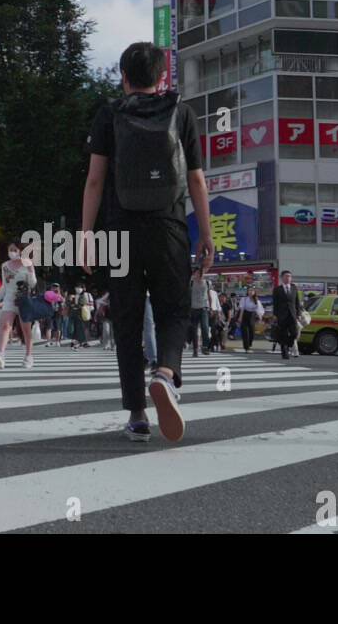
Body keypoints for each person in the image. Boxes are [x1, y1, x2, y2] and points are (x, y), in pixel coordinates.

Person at [80, 41, 213, 443]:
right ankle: (166, 373)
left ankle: (137, 414)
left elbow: (95, 180)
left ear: (123, 76)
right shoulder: (182, 113)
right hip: (168, 226)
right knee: (174, 310)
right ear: (162, 77)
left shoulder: (109, 114)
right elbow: (195, 180)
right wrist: (205, 234)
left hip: (120, 230)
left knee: (127, 320)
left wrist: (86, 235)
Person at [0, 240, 37, 369]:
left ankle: (29, 356)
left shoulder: (27, 264)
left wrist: (30, 269)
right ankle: (0, 355)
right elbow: (4, 287)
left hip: (24, 300)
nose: (11, 252)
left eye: (14, 250)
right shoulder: (5, 266)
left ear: (20, 251)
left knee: (26, 330)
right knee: (6, 326)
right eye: (10, 250)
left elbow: (33, 284)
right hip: (9, 299)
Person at [273, 272, 300, 360]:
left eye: (289, 276)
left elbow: (297, 302)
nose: (288, 278)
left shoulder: (294, 288)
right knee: (283, 334)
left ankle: (288, 344)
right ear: (282, 278)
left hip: (292, 314)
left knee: (295, 333)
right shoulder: (277, 289)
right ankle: (284, 353)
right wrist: (275, 315)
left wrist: (298, 313)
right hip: (281, 315)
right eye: (286, 276)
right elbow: (275, 304)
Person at [239, 287, 263, 353]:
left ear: (254, 292)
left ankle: (249, 343)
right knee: (245, 332)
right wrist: (240, 317)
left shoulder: (257, 300)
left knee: (251, 332)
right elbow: (242, 309)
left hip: (252, 316)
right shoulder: (244, 299)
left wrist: (260, 317)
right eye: (249, 290)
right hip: (244, 315)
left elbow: (259, 310)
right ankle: (246, 347)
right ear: (247, 292)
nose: (250, 292)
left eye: (252, 290)